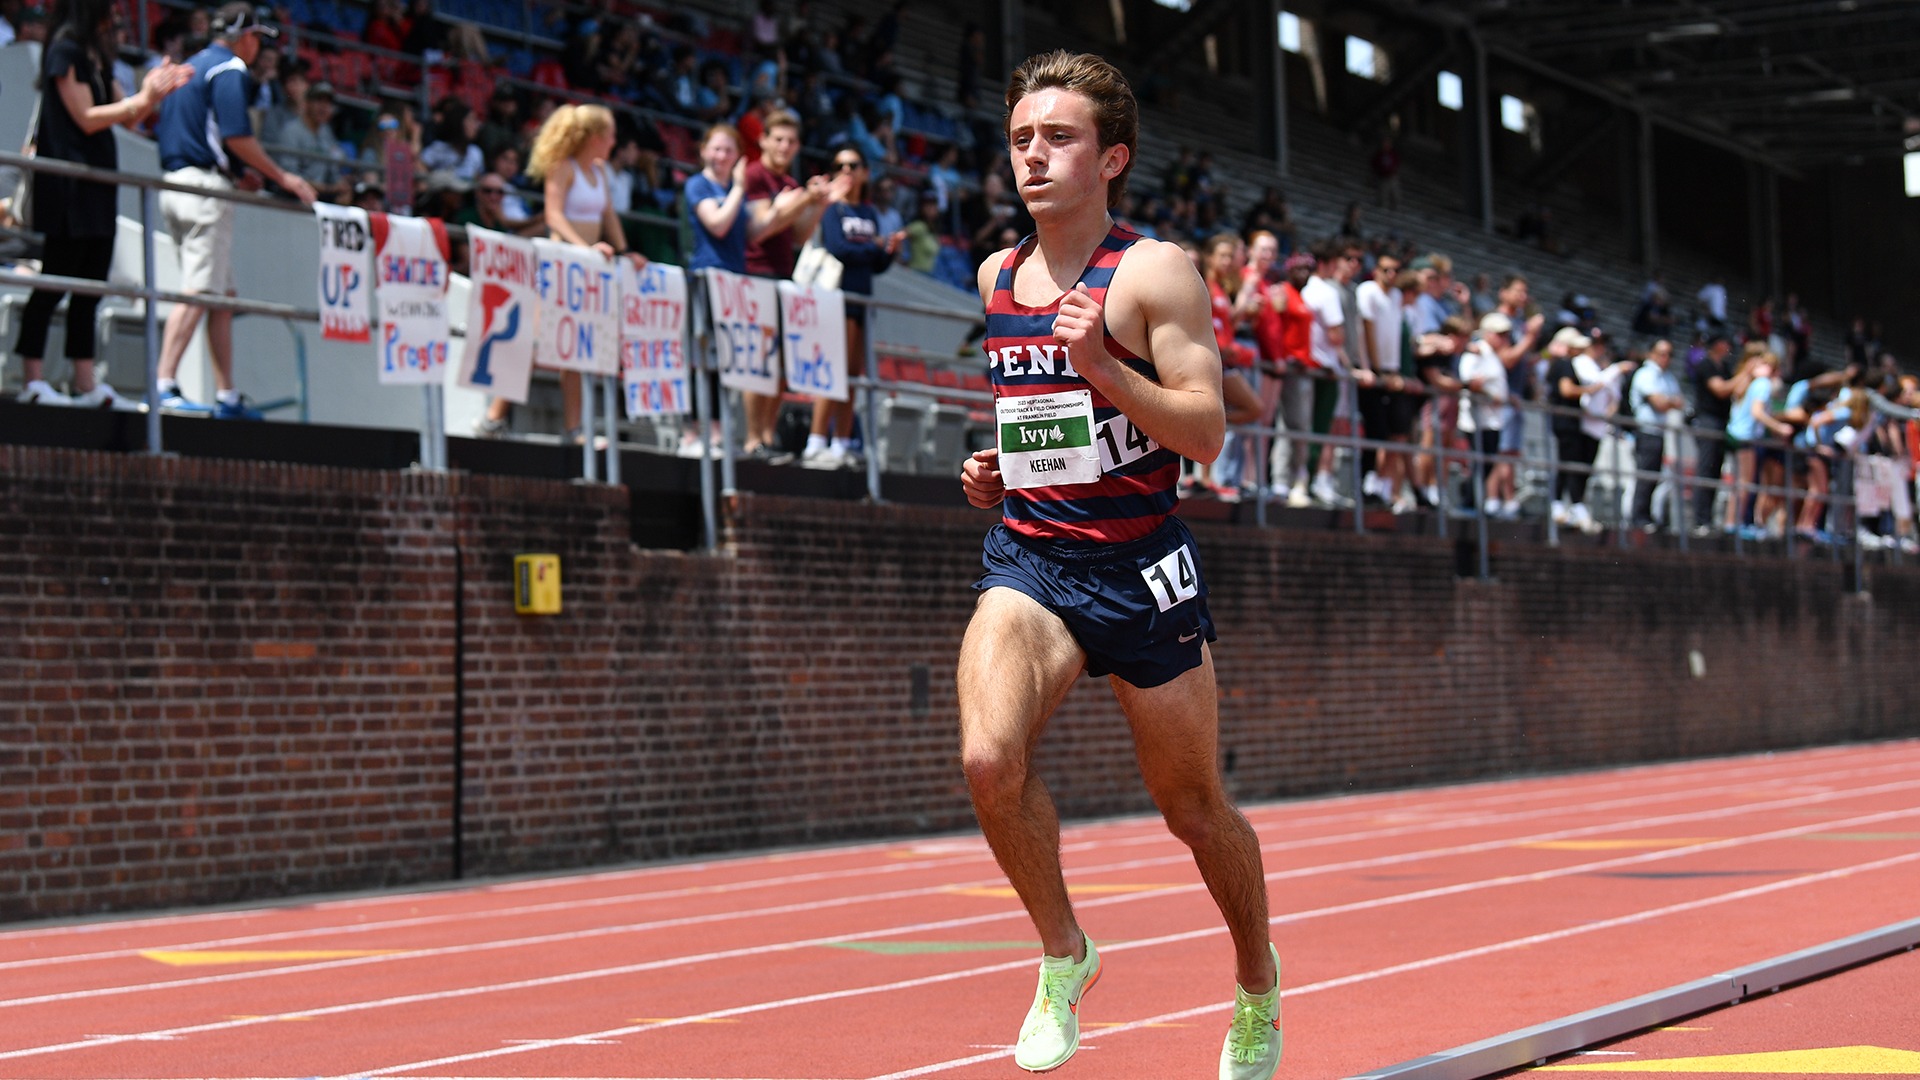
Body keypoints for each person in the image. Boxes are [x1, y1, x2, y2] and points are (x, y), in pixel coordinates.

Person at [955, 51, 1280, 1080]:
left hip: (1141, 569)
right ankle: (1064, 954)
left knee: (1192, 811)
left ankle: (1256, 982)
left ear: (1113, 157)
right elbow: (1046, 427)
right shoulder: (997, 277)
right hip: (1035, 560)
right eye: (1021, 139)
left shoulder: (1154, 272)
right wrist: (999, 470)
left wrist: (1102, 363)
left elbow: (1206, 433)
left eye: (1059, 138)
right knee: (987, 761)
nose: (1035, 156)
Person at [14, 0, 189, 408]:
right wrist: (141, 97)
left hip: (98, 186)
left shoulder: (97, 57)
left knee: (91, 289)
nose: (117, 16)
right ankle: (33, 380)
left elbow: (127, 116)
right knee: (55, 282)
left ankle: (86, 383)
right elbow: (87, 116)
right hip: (68, 187)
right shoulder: (64, 50)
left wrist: (154, 89)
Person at [153, 3, 316, 418]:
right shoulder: (229, 69)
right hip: (204, 189)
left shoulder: (189, 67)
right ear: (244, 36)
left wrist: (237, 171)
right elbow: (236, 135)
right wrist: (284, 177)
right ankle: (163, 385)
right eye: (257, 37)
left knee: (222, 296)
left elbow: (195, 133)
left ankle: (227, 395)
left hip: (174, 183)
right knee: (200, 290)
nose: (258, 47)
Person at [474, 103, 642, 440]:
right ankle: (493, 418)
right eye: (609, 135)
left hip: (586, 272)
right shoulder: (563, 169)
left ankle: (574, 428)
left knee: (576, 351)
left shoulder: (598, 173)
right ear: (593, 137)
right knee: (533, 342)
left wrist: (624, 252)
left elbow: (609, 217)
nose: (613, 142)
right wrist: (585, 249)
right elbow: (554, 216)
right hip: (559, 265)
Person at [804, 147, 900, 469]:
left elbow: (874, 265)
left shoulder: (869, 213)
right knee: (833, 372)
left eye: (853, 165)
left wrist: (886, 252)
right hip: (837, 297)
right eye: (839, 164)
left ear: (864, 172)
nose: (846, 169)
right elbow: (838, 249)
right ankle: (816, 440)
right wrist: (871, 248)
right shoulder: (833, 210)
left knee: (853, 375)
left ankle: (841, 443)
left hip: (862, 296)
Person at [742, 109, 831, 459]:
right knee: (758, 361)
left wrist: (819, 204)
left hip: (783, 276)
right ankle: (753, 439)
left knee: (779, 364)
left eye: (791, 141)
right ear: (763, 140)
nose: (784, 146)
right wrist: (804, 200)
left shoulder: (791, 186)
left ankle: (767, 435)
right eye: (778, 139)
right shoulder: (754, 176)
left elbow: (799, 235)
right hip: (755, 274)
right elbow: (761, 228)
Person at [670, 123, 749, 455]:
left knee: (723, 358)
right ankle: (692, 431)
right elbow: (717, 224)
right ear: (703, 151)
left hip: (734, 282)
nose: (721, 156)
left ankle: (716, 431)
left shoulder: (734, 190)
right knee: (699, 354)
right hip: (705, 278)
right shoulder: (698, 185)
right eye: (716, 149)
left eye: (728, 150)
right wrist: (741, 189)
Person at [1627, 339, 1687, 531]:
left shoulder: (1666, 377)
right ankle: (1638, 516)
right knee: (1645, 475)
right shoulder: (1646, 374)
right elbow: (1660, 403)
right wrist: (1669, 402)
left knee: (1654, 476)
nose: (1666, 358)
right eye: (1662, 353)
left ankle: (1646, 516)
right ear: (1652, 354)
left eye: (1669, 354)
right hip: (1646, 431)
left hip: (1659, 431)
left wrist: (1666, 401)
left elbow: (1679, 402)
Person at [1687, 333, 1741, 535]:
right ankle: (1700, 520)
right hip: (1707, 421)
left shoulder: (1724, 368)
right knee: (1705, 470)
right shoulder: (1706, 365)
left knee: (1715, 472)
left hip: (1721, 423)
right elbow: (1721, 390)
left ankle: (1707, 518)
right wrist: (1747, 372)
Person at [270, 79, 347, 203]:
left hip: (321, 196)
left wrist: (341, 186)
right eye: (318, 101)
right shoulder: (292, 131)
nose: (324, 107)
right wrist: (328, 188)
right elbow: (289, 174)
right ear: (306, 103)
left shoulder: (326, 132)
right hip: (293, 196)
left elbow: (333, 169)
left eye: (328, 103)